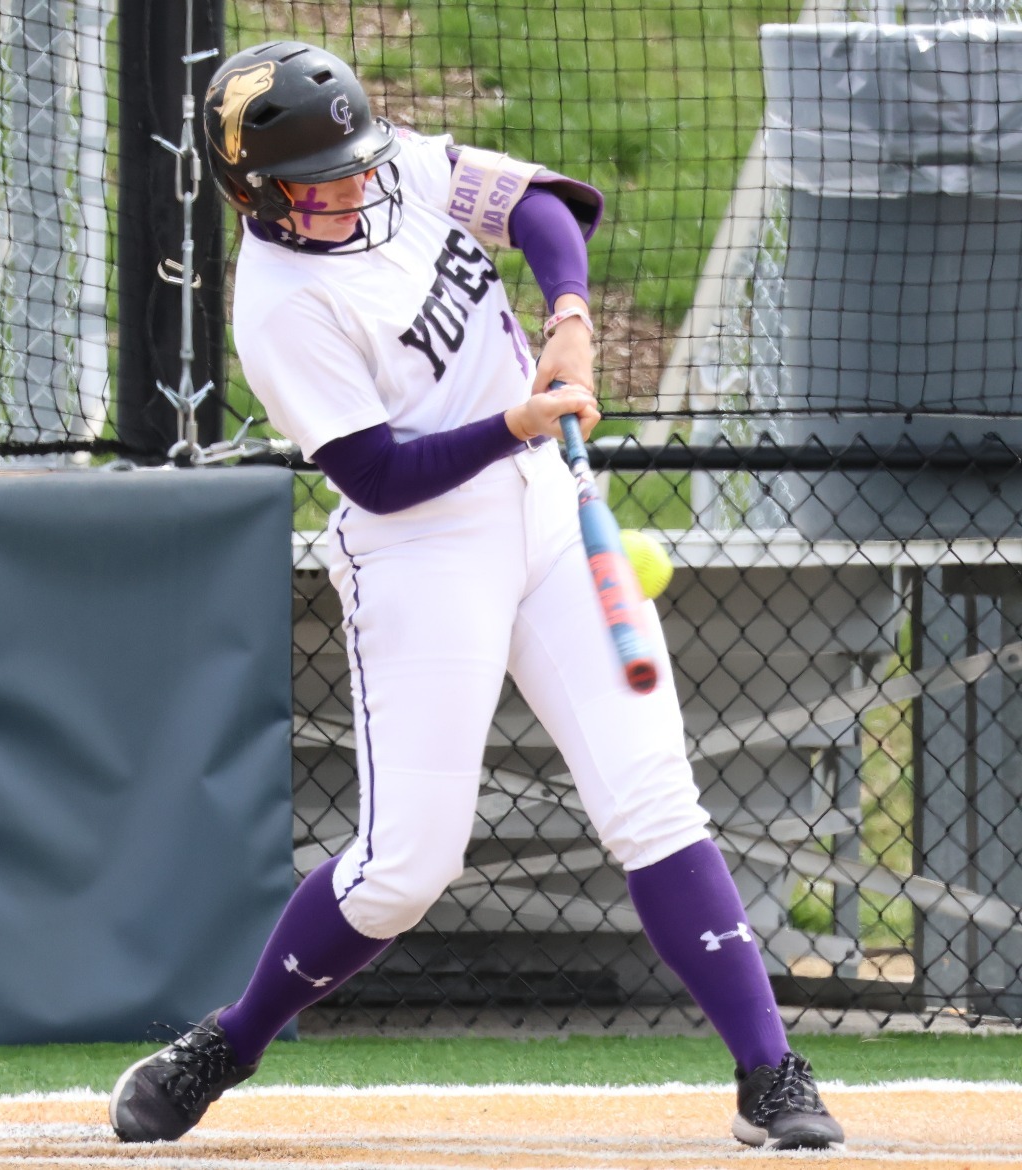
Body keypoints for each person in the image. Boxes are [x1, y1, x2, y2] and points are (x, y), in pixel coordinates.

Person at [107, 41, 844, 1152]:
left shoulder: (385, 162)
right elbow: (374, 477)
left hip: (543, 516)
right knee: (406, 868)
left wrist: (568, 322)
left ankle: (769, 1075)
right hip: (418, 552)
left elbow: (545, 205)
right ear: (255, 193)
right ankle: (230, 1040)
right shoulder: (279, 309)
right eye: (323, 181)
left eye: (357, 162)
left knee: (652, 802)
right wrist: (512, 423)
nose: (355, 186)